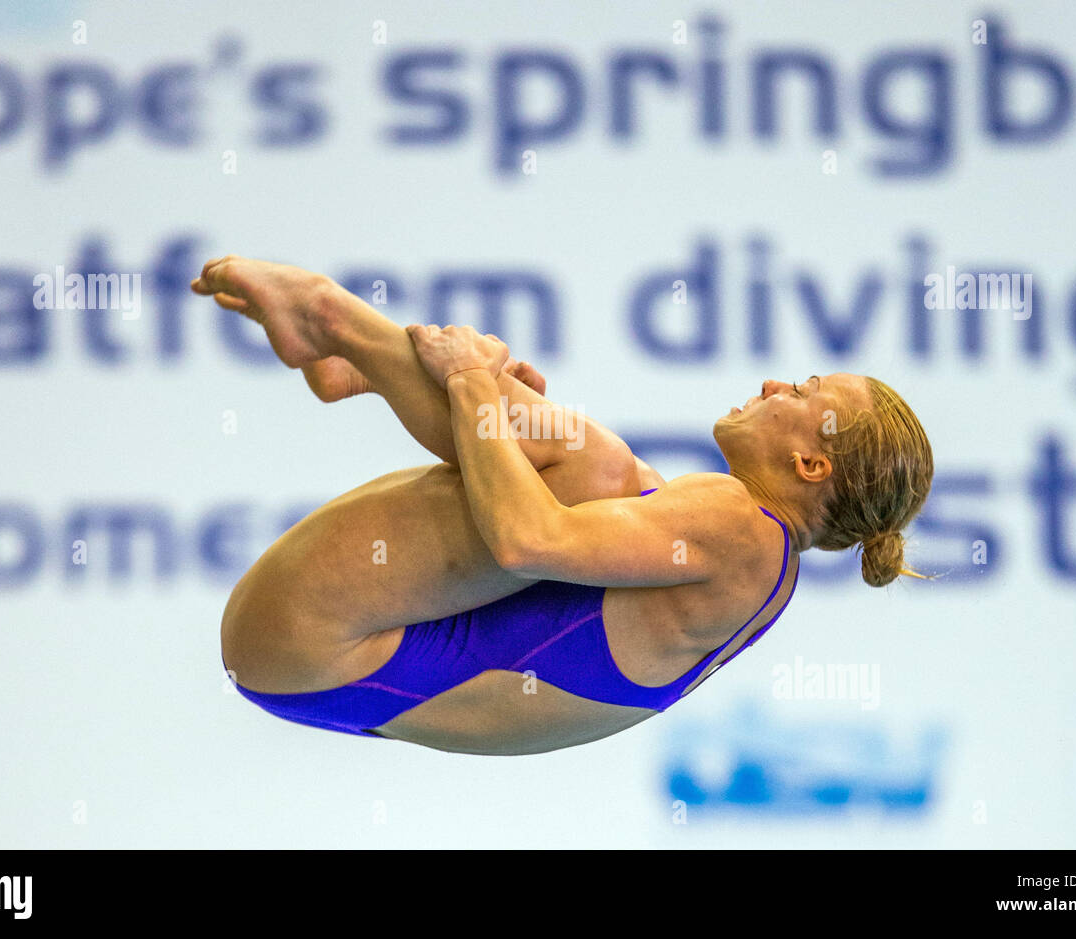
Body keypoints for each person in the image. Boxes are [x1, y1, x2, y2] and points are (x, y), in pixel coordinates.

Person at [190, 256, 934, 755]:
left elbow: (524, 539)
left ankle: (333, 319)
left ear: (811, 463)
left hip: (312, 638)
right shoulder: (751, 574)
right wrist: (498, 418)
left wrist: (477, 386)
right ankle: (363, 366)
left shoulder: (743, 528)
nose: (776, 385)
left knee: (597, 468)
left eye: (801, 393)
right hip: (312, 666)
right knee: (594, 467)